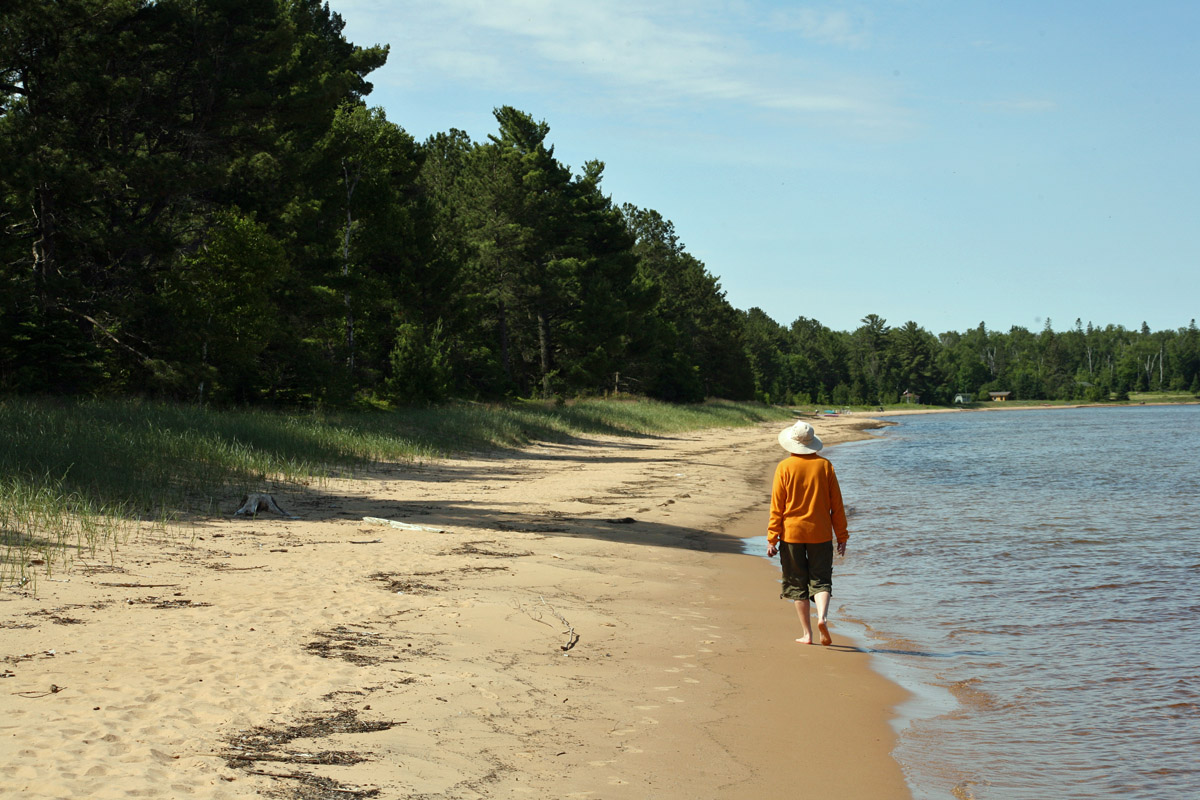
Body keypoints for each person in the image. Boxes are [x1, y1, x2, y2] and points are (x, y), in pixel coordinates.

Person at [766, 420, 848, 645]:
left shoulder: (785, 467)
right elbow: (837, 505)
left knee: (796, 584)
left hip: (792, 534)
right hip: (820, 533)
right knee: (821, 580)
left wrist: (772, 538)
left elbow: (777, 506)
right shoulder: (825, 466)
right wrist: (842, 536)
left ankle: (807, 634)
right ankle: (822, 617)